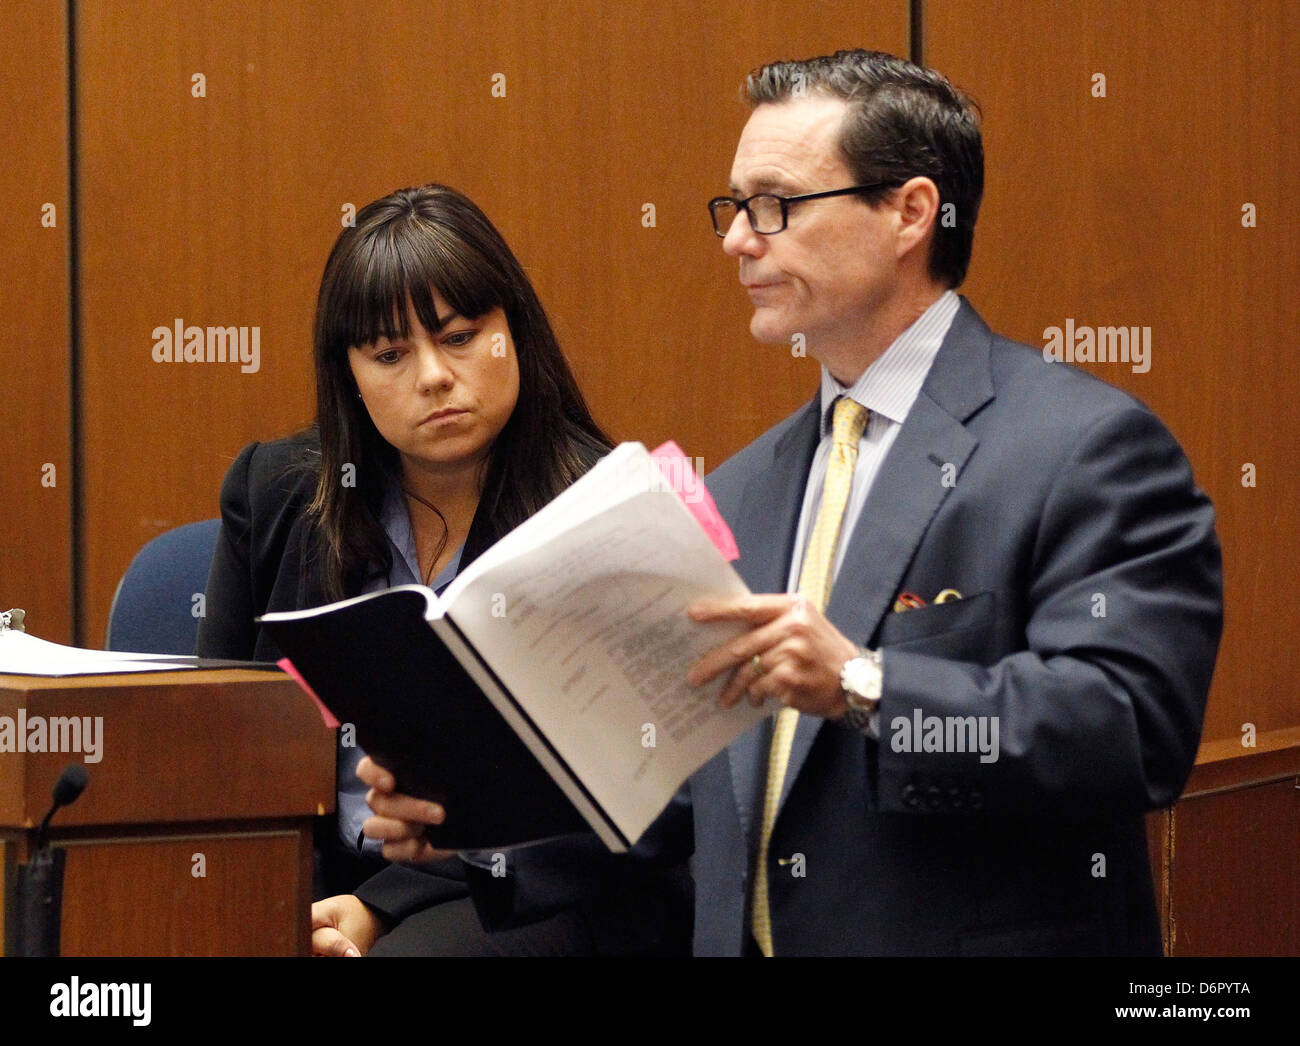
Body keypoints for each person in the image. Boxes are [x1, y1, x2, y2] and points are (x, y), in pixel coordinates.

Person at [362, 51, 1223, 956]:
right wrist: (477, 834)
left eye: (774, 205)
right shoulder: (743, 486)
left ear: (909, 212)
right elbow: (696, 792)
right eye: (733, 208)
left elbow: (1132, 729)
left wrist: (864, 685)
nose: (738, 239)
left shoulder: (1081, 447)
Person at [197, 184, 690, 956]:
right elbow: (218, 736)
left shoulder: (605, 513)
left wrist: (378, 909)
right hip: (319, 873)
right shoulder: (277, 491)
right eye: (389, 354)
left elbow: (634, 806)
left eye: (460, 337)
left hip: (538, 891)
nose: (432, 376)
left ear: (513, 333)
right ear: (350, 375)